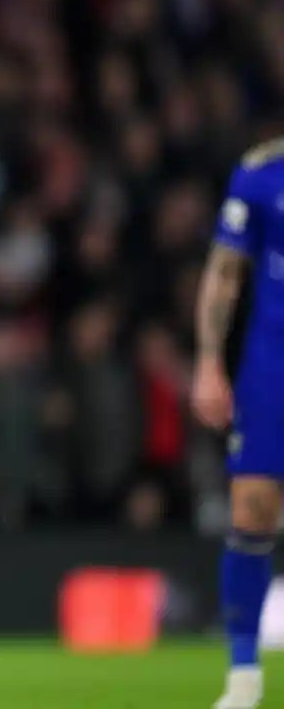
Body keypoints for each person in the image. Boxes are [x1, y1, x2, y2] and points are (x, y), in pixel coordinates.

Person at [193, 137, 284, 709]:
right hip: (271, 366)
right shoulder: (261, 175)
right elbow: (225, 271)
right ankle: (244, 675)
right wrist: (207, 361)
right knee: (251, 505)